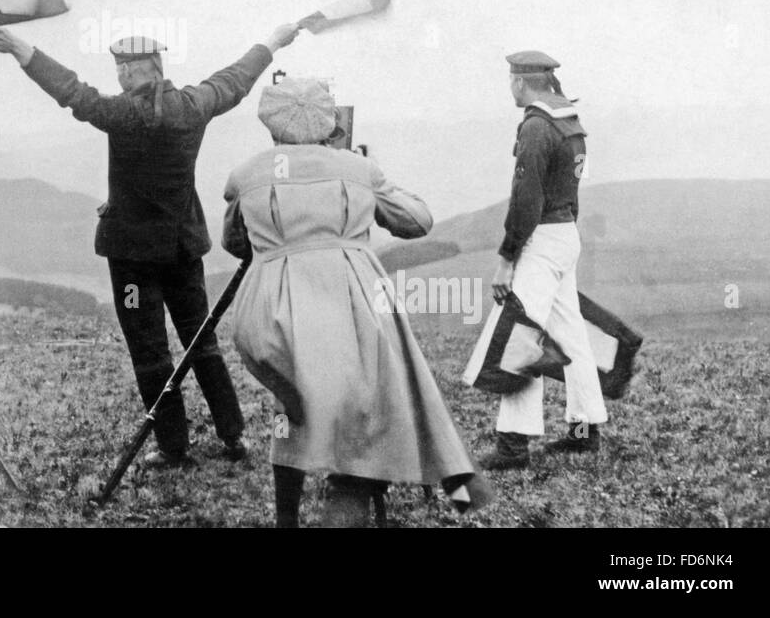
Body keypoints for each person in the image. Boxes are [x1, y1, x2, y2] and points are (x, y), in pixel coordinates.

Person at [0, 23, 300, 467]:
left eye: (123, 69)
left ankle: (174, 446)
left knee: (149, 349)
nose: (119, 76)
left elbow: (73, 92)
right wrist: (271, 41)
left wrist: (23, 50)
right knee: (201, 339)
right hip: (183, 249)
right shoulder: (193, 105)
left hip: (132, 260)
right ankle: (232, 435)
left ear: (138, 71)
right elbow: (235, 79)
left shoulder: (121, 114)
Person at [222, 77, 492, 527]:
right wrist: (364, 177)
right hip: (354, 297)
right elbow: (417, 222)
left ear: (271, 127)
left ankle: (289, 515)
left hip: (271, 311)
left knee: (289, 408)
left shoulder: (246, 175)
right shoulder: (358, 170)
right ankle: (370, 487)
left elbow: (235, 242)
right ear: (330, 124)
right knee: (382, 385)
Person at [467, 50, 606, 470]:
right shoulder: (568, 121)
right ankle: (584, 433)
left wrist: (508, 258)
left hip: (542, 240)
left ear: (521, 82)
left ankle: (512, 449)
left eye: (510, 79)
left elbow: (526, 201)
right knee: (571, 338)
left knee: (518, 339)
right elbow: (570, 190)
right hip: (566, 234)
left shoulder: (536, 126)